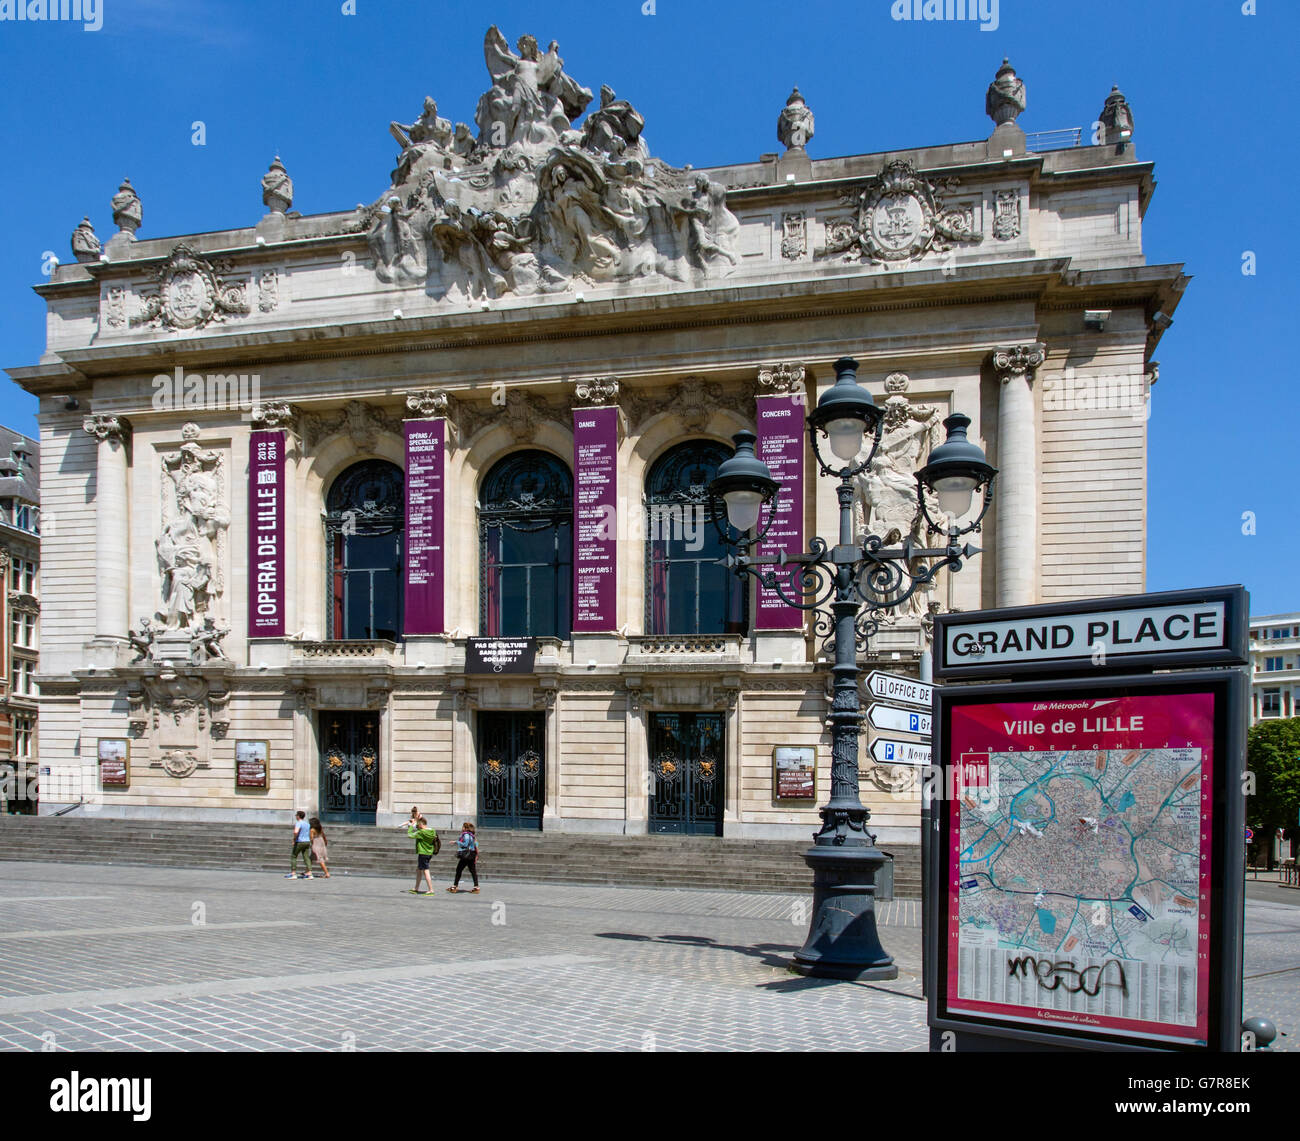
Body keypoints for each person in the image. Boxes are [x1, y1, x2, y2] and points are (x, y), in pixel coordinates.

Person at [407, 815, 439, 895]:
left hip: (423, 853)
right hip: (429, 852)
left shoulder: (421, 832)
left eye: (418, 825)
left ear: (421, 824)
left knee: (426, 870)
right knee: (418, 870)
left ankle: (431, 890)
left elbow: (410, 835)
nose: (418, 826)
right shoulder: (432, 831)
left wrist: (411, 826)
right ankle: (416, 888)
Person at [449, 822, 479, 893]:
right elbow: (476, 844)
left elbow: (465, 844)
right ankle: (476, 887)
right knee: (473, 871)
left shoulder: (466, 835)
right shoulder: (472, 835)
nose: (461, 828)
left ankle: (455, 886)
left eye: (462, 827)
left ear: (465, 828)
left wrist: (456, 842)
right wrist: (477, 854)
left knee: (459, 869)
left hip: (466, 855)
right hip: (472, 854)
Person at [286, 810, 312, 879]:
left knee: (294, 856)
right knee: (306, 857)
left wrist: (294, 839)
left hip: (300, 841)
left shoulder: (298, 823)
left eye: (296, 816)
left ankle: (293, 873)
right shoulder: (307, 824)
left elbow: (296, 832)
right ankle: (309, 873)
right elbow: (309, 833)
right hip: (307, 841)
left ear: (298, 816)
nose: (296, 817)